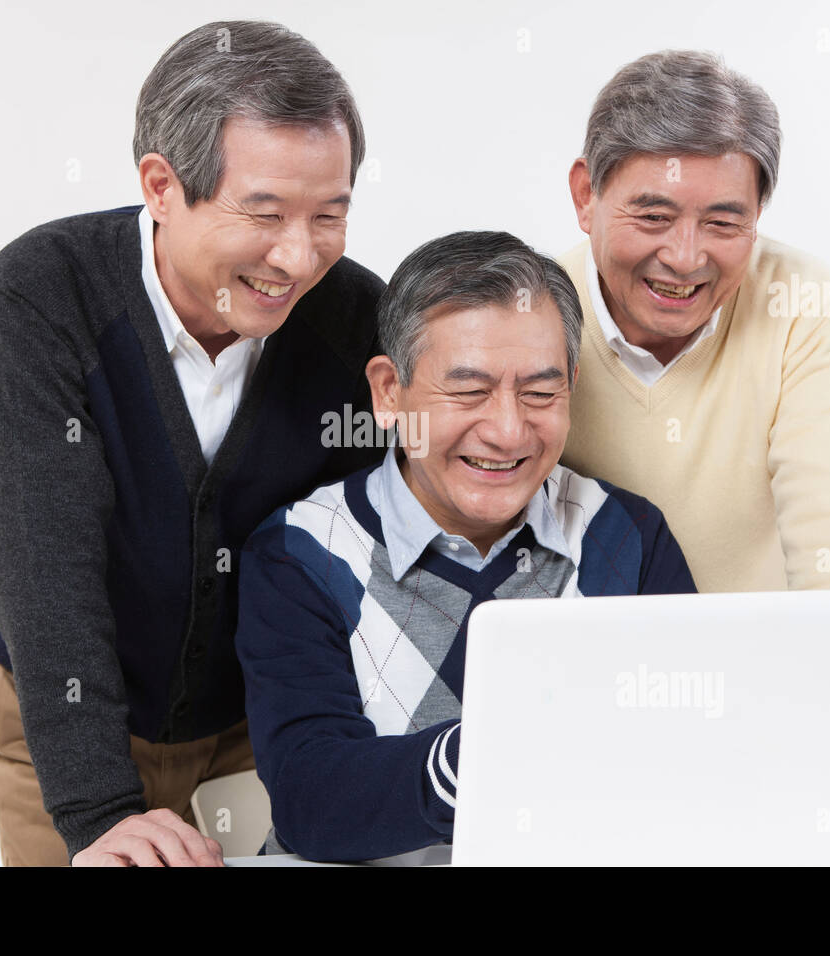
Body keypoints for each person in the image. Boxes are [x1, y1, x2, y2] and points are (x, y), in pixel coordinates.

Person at [0, 20, 384, 867]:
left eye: (330, 215)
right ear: (161, 185)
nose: (298, 257)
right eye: (263, 213)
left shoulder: (355, 319)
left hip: (256, 723)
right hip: (65, 719)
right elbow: (45, 557)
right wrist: (97, 809)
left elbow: (362, 545)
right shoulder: (44, 293)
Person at [235, 232, 696, 862]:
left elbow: (686, 762)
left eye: (540, 392)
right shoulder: (301, 551)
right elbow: (311, 798)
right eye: (469, 391)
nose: (508, 431)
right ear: (389, 393)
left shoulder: (629, 537)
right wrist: (496, 752)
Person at [560, 50, 830, 593]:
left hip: (765, 660)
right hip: (580, 659)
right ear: (586, 196)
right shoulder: (533, 310)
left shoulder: (800, 301)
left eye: (723, 222)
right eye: (654, 216)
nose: (684, 257)